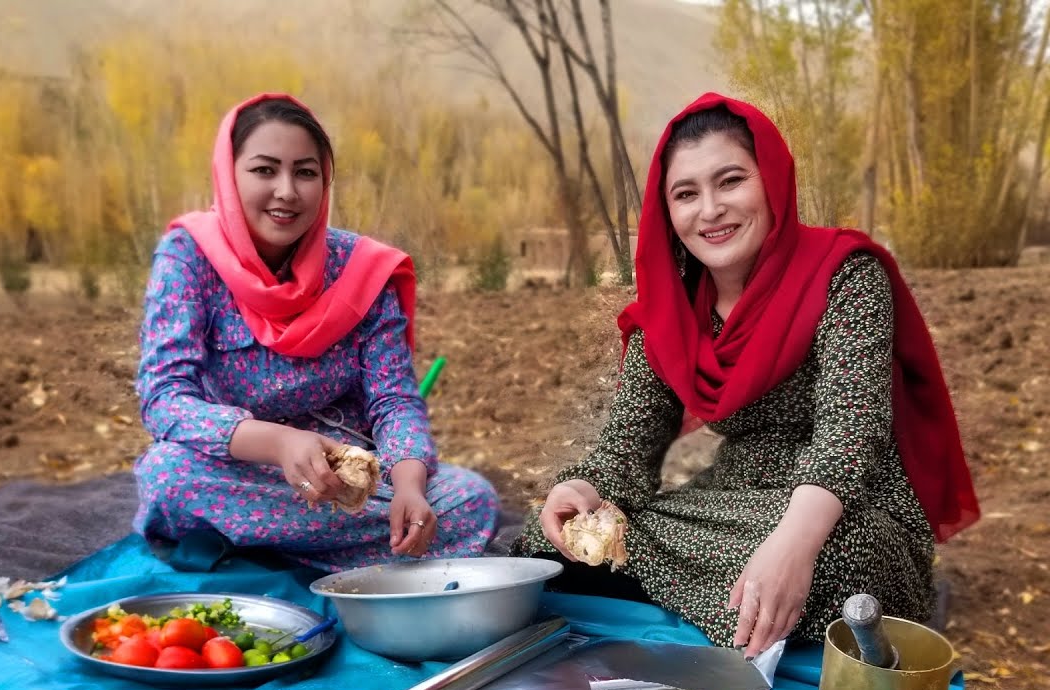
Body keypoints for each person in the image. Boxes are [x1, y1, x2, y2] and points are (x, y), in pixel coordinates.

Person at [513, 93, 980, 659]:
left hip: (849, 504)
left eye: (730, 181)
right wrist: (584, 491)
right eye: (686, 194)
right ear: (667, 213)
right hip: (733, 499)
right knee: (547, 542)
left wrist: (792, 547)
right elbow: (626, 455)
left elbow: (848, 437)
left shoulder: (843, 275)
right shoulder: (670, 312)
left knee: (838, 559)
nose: (709, 210)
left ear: (771, 182)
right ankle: (736, 607)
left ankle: (724, 600)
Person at [133, 93, 500, 572]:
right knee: (169, 477)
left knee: (471, 500)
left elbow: (394, 402)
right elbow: (164, 399)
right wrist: (280, 443)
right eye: (265, 170)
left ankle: (252, 548)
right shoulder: (188, 256)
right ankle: (356, 557)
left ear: (324, 182)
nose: (286, 191)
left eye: (305, 173)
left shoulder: (363, 270)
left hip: (349, 484)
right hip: (242, 470)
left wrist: (408, 486)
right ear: (229, 174)